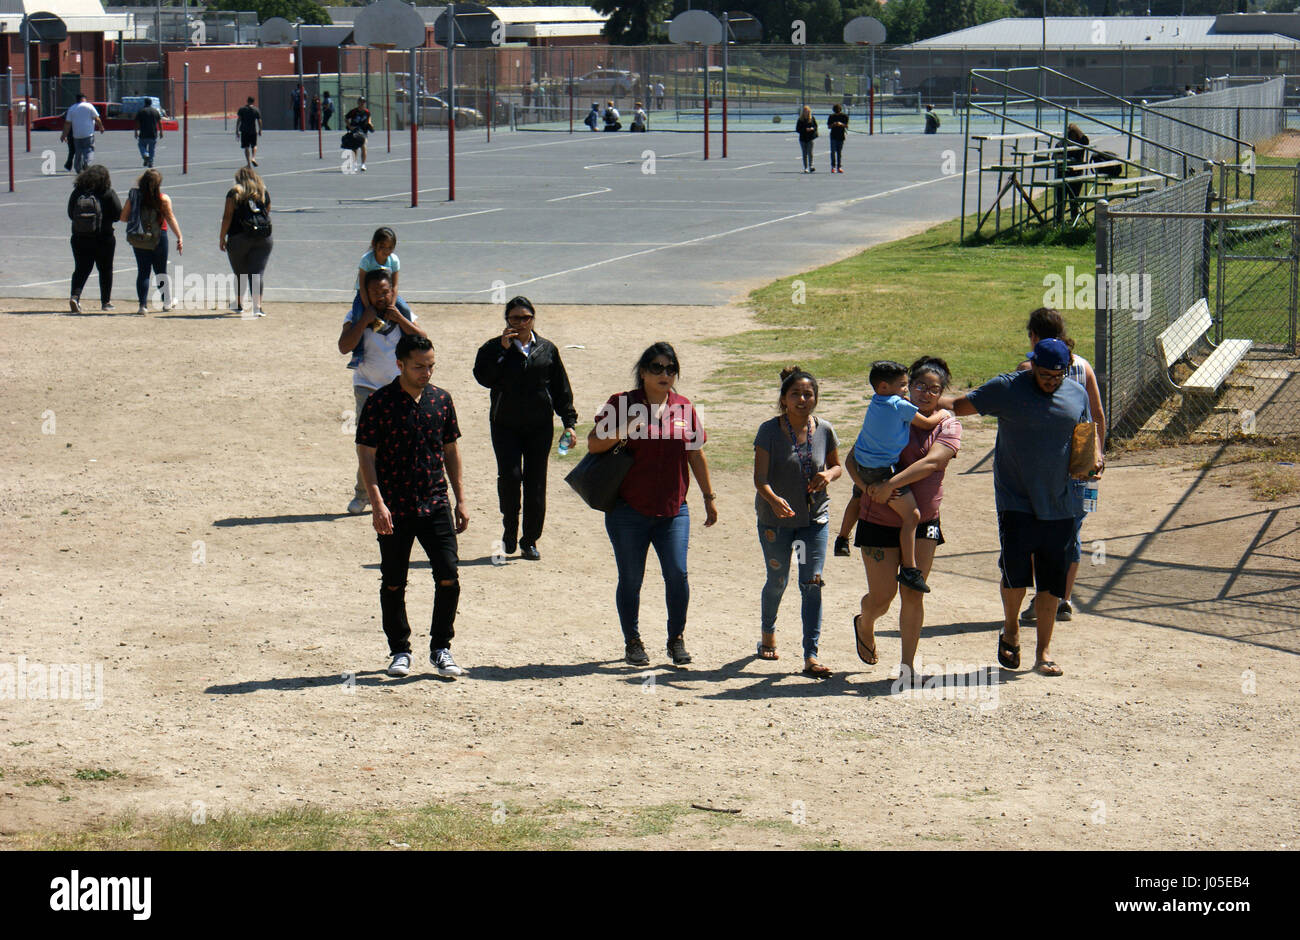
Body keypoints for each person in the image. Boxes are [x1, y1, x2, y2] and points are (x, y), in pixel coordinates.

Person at [939, 338, 1103, 677]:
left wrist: (1093, 460)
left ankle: (1043, 653)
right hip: (1016, 500)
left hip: (1061, 502)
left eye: (1057, 375)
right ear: (1033, 366)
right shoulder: (1008, 388)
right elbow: (959, 404)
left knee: (1051, 583)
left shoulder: (1076, 393)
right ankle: (1011, 627)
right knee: (1015, 576)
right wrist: (917, 399)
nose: (1051, 381)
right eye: (1045, 374)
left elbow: (1085, 434)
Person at [587, 343, 717, 667]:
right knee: (631, 578)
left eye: (670, 369)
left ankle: (676, 639)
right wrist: (625, 429)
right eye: (657, 368)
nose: (664, 374)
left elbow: (696, 454)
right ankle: (632, 641)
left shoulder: (685, 408)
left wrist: (708, 497)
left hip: (674, 509)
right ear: (643, 371)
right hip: (628, 509)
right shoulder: (622, 403)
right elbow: (593, 443)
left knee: (677, 573)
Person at [356, 333, 468, 680]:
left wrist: (461, 498)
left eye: (431, 366)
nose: (427, 373)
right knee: (393, 582)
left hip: (435, 503)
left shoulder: (441, 401)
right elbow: (366, 455)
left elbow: (450, 449)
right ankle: (400, 650)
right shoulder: (380, 404)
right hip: (395, 507)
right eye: (420, 366)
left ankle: (441, 648)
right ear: (400, 364)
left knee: (448, 576)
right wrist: (377, 503)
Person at [851, 357, 962, 683]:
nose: (926, 393)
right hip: (878, 519)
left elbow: (932, 463)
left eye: (935, 389)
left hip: (924, 520)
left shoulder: (948, 424)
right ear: (907, 386)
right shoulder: (888, 412)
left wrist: (890, 485)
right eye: (920, 386)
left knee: (913, 593)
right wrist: (868, 489)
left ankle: (908, 668)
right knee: (882, 598)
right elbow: (853, 457)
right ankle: (865, 623)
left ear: (942, 393)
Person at [1014, 308, 1106, 625]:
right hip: (1081, 460)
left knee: (1043, 532)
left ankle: (1046, 599)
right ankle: (1064, 598)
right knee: (1073, 531)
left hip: (1048, 463)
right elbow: (1097, 416)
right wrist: (1098, 455)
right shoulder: (1083, 365)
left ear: (1034, 336)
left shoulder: (1030, 368)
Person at [472, 297, 579, 560]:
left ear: (533, 318)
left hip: (539, 427)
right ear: (506, 320)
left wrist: (569, 423)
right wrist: (503, 350)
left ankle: (529, 540)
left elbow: (560, 388)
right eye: (515, 318)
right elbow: (484, 378)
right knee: (509, 478)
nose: (520, 323)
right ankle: (509, 531)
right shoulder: (492, 348)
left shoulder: (547, 349)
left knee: (536, 483)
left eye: (525, 317)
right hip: (504, 425)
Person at [753, 366, 842, 676]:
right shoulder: (769, 431)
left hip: (812, 523)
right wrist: (774, 501)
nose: (803, 399)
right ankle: (768, 632)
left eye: (808, 394)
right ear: (784, 399)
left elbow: (837, 467)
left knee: (811, 583)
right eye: (796, 394)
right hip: (775, 522)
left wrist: (827, 475)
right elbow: (759, 479)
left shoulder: (825, 429)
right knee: (778, 581)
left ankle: (811, 655)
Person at [850, 360, 952, 594]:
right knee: (912, 515)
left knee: (858, 500)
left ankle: (843, 536)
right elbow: (926, 423)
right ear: (885, 386)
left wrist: (864, 486)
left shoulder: (877, 401)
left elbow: (850, 458)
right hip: (880, 473)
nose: (906, 390)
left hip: (867, 468)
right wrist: (943, 413)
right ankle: (909, 568)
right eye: (906, 385)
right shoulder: (898, 405)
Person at [341, 269, 426, 514]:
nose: (381, 297)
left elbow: (424, 341)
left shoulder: (404, 314)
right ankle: (362, 494)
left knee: (404, 440)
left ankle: (400, 491)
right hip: (367, 386)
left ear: (393, 292)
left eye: (385, 291)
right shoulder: (355, 315)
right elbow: (344, 346)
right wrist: (363, 321)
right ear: (365, 294)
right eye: (375, 292)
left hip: (400, 387)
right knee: (369, 444)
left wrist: (401, 319)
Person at [119, 168, 183, 316]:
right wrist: (179, 236)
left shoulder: (134, 197)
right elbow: (170, 218)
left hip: (139, 238)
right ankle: (166, 302)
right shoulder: (163, 199)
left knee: (143, 271)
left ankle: (142, 305)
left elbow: (123, 217)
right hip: (159, 237)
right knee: (160, 271)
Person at [218, 167, 273, 317]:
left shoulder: (234, 193)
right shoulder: (263, 192)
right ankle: (257, 307)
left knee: (240, 272)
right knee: (257, 273)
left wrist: (222, 237)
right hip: (263, 237)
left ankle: (239, 304)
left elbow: (227, 216)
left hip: (239, 236)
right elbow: (267, 211)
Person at [67, 164, 122, 313]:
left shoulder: (77, 192)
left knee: (81, 268)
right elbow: (118, 214)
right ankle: (105, 302)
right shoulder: (107, 193)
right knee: (105, 269)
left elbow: (71, 213)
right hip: (104, 238)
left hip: (80, 237)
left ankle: (75, 296)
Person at [62, 94, 104, 173]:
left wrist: (64, 135)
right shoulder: (89, 106)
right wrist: (101, 127)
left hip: (76, 135)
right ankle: (86, 163)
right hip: (88, 134)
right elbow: (97, 118)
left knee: (78, 152)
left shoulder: (72, 108)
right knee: (89, 150)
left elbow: (67, 123)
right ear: (84, 99)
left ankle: (78, 169)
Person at [345, 97, 375, 170]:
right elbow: (346, 118)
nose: (362, 104)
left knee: (363, 147)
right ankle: (354, 164)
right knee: (354, 148)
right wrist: (350, 126)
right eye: (361, 102)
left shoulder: (367, 112)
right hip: (355, 131)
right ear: (358, 103)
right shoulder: (353, 111)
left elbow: (369, 120)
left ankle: (363, 164)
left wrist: (370, 125)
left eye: (363, 102)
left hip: (363, 132)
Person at [134, 99, 163, 168]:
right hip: (153, 133)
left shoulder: (141, 111)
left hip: (143, 133)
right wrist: (161, 132)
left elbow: (137, 122)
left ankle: (145, 154)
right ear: (151, 103)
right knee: (152, 148)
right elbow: (160, 122)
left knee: (141, 145)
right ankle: (150, 161)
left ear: (145, 103)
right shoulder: (155, 111)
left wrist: (136, 132)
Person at [236, 97, 262, 168]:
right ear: (253, 102)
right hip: (253, 130)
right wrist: (260, 129)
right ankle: (253, 157)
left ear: (247, 101)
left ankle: (248, 163)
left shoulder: (242, 109)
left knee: (246, 147)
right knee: (254, 145)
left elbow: (239, 120)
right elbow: (259, 120)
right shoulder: (256, 110)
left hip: (244, 131)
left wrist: (237, 130)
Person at [796, 105, 818, 173]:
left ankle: (811, 166)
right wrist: (805, 130)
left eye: (807, 111)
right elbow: (797, 129)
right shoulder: (800, 120)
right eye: (805, 111)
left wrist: (812, 128)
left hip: (810, 138)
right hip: (803, 138)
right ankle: (805, 167)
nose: (806, 113)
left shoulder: (812, 118)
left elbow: (815, 126)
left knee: (810, 153)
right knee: (804, 153)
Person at [827, 103, 848, 173]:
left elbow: (846, 126)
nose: (837, 111)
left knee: (839, 152)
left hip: (841, 136)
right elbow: (829, 126)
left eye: (838, 110)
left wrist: (841, 124)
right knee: (833, 152)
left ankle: (839, 166)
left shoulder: (844, 116)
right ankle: (833, 166)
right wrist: (834, 124)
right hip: (833, 136)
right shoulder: (831, 116)